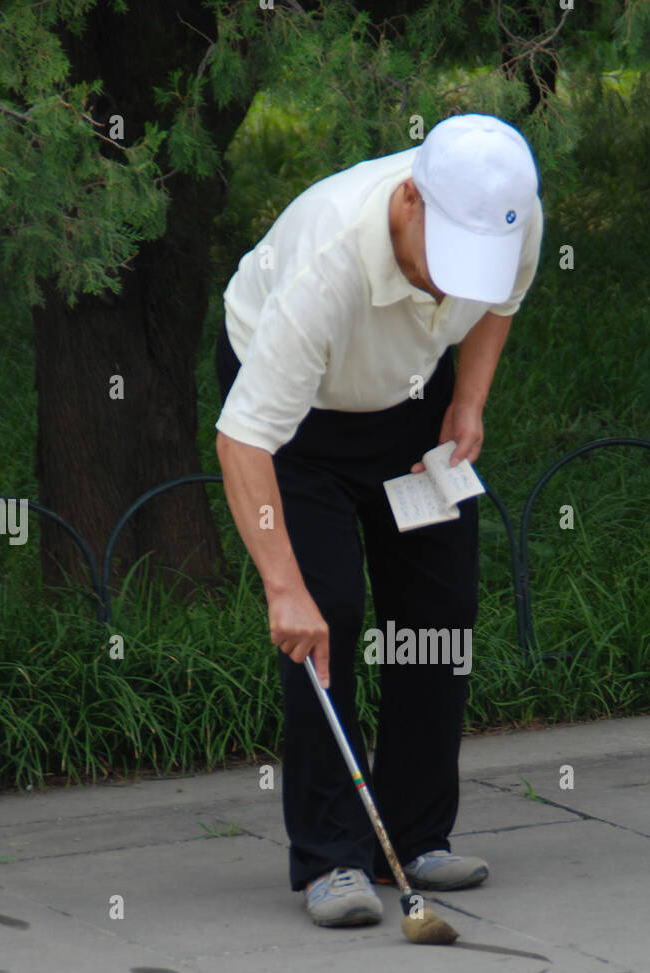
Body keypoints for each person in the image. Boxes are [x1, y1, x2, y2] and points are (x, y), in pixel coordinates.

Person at [215, 112, 543, 927]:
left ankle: (416, 832)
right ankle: (332, 859)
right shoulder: (329, 261)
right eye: (444, 265)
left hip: (410, 393)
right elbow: (243, 438)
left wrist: (468, 400)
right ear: (407, 202)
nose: (450, 287)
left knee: (440, 606)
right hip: (296, 422)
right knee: (328, 614)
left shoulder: (511, 209)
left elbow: (501, 302)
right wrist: (283, 590)